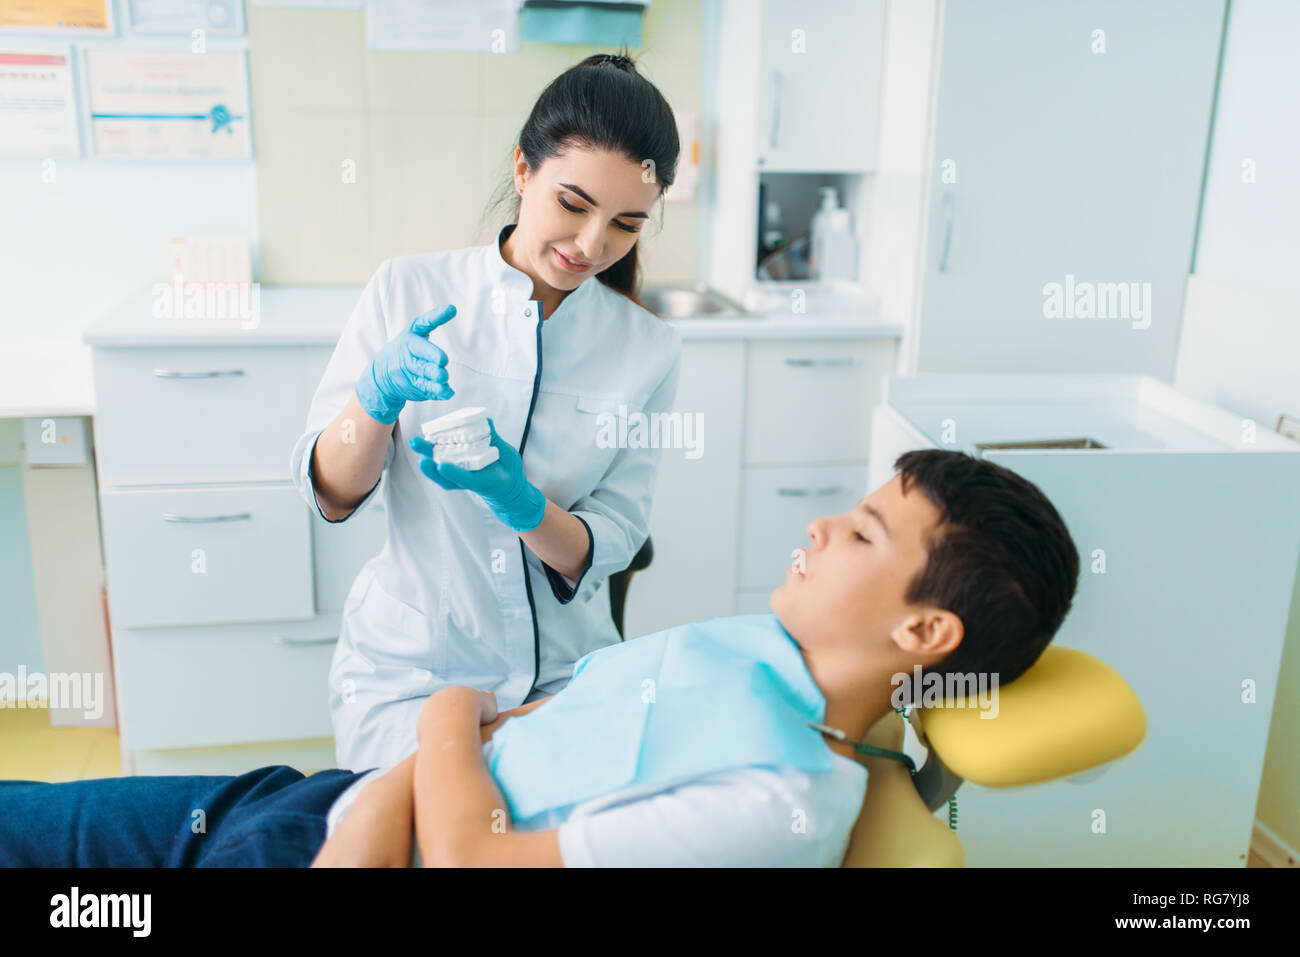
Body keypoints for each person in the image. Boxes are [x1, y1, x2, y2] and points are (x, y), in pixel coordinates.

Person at [0, 450, 1080, 868]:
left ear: (925, 633)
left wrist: (443, 715)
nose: (817, 527)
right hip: (319, 804)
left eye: (860, 534)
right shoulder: (762, 662)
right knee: (32, 818)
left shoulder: (779, 797)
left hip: (336, 848)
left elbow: (474, 859)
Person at [292, 51, 684, 770]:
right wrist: (374, 399)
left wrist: (522, 502)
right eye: (573, 204)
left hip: (566, 681)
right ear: (524, 170)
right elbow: (333, 490)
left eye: (626, 223)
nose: (591, 245)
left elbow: (616, 538)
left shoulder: (647, 350)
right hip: (410, 675)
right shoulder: (407, 288)